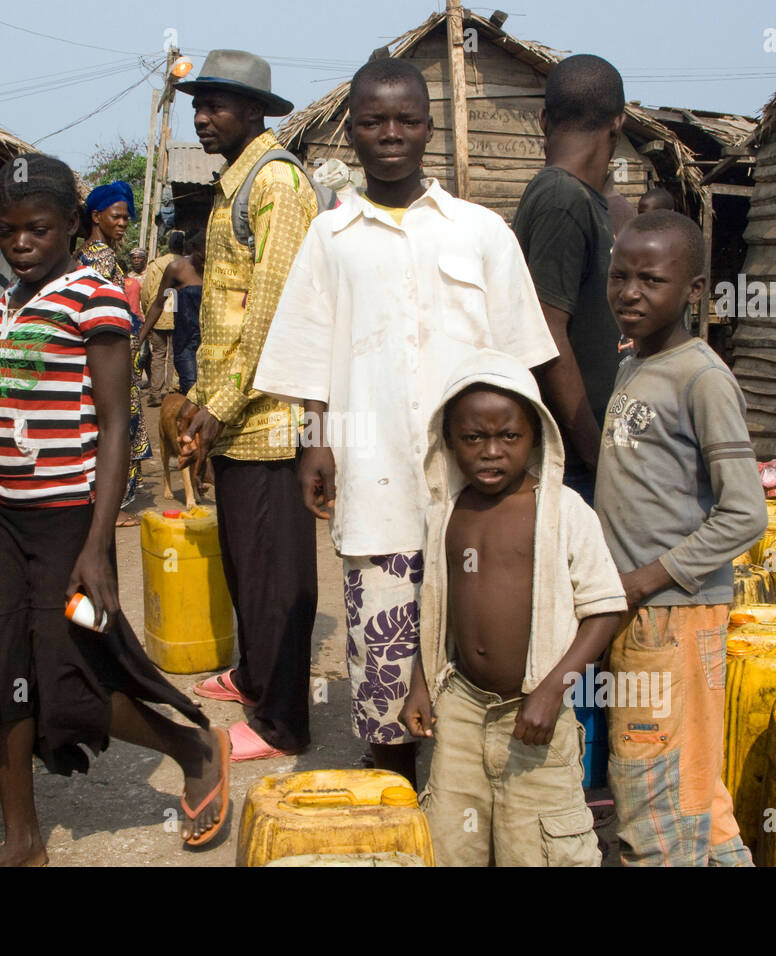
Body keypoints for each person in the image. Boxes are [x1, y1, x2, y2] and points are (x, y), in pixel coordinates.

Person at [256, 59, 556, 786]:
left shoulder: (481, 233)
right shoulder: (331, 238)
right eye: (372, 121)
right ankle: (392, 773)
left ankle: (471, 785)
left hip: (475, 484)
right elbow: (305, 350)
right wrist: (315, 445)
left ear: (429, 127)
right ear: (350, 130)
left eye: (406, 120)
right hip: (377, 474)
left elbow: (522, 361)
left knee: (479, 633)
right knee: (382, 638)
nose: (390, 134)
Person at [0, 154, 229, 865]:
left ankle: (193, 745)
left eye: (39, 229)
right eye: (7, 229)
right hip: (8, 520)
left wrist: (96, 544)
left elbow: (116, 425)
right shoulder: (3, 302)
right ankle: (23, 842)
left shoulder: (94, 299)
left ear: (71, 226)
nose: (22, 242)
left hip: (73, 524)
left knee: (71, 672)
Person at [398, 351, 625, 865]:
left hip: (534, 718)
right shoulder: (447, 514)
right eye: (473, 438)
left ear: (537, 438)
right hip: (459, 711)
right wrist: (421, 682)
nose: (491, 452)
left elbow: (605, 609)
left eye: (509, 437)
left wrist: (551, 690)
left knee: (538, 848)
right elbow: (434, 607)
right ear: (449, 443)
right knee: (451, 845)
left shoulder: (564, 512)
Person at [595, 210, 767, 866]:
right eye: (619, 276)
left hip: (671, 614)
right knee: (691, 784)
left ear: (694, 291)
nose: (629, 292)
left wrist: (645, 578)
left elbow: (746, 513)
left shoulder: (702, 378)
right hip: (643, 616)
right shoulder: (633, 363)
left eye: (651, 280)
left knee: (652, 786)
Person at [174, 50, 319, 761]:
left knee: (276, 575)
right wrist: (201, 400)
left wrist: (220, 402)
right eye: (197, 106)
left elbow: (274, 313)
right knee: (246, 561)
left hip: (271, 420)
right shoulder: (237, 184)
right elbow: (226, 313)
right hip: (236, 417)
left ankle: (282, 722)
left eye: (217, 106)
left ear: (256, 112)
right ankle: (257, 676)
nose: (202, 118)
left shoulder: (277, 185)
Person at [513, 54, 627, 505]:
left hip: (582, 460)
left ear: (543, 120)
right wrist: (596, 458)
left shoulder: (586, 200)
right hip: (571, 466)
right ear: (618, 124)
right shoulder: (563, 199)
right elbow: (547, 334)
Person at [79, 181, 151, 527]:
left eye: (126, 218)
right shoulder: (102, 259)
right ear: (96, 216)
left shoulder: (88, 255)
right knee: (117, 426)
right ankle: (115, 506)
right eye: (117, 217)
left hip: (113, 356)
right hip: (113, 357)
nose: (123, 223)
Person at [140, 229, 204, 396]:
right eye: (202, 257)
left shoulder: (220, 269)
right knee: (192, 393)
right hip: (186, 346)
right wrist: (139, 339)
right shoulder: (176, 268)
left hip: (213, 346)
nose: (204, 263)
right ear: (192, 248)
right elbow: (158, 304)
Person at [140, 231, 184, 405]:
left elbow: (146, 292)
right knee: (174, 355)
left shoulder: (156, 264)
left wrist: (147, 312)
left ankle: (155, 393)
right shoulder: (187, 264)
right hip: (178, 316)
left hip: (158, 317)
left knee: (158, 355)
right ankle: (170, 391)